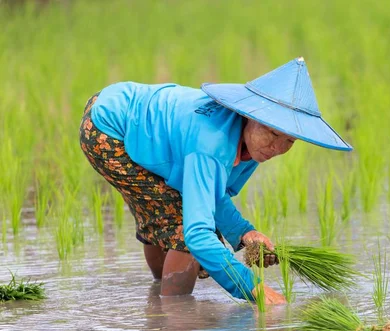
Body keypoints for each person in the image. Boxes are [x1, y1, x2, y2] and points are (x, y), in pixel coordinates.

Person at [79, 57, 353, 304]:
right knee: (180, 225)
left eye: (289, 141)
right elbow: (197, 234)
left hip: (130, 115)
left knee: (165, 210)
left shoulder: (252, 146)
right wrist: (254, 289)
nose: (276, 148)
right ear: (250, 117)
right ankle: (172, 318)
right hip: (107, 128)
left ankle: (159, 298)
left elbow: (211, 192)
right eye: (271, 133)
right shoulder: (211, 144)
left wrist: (245, 233)